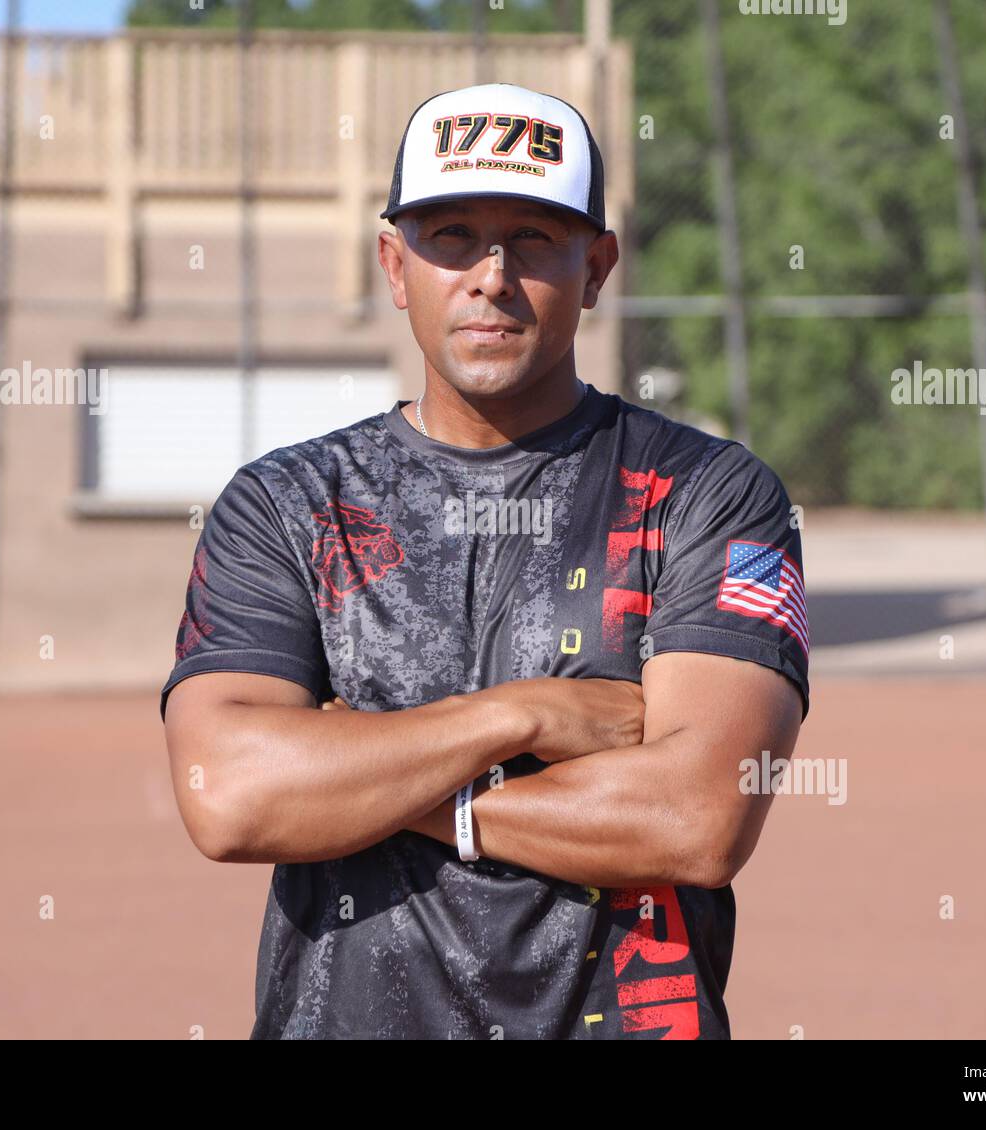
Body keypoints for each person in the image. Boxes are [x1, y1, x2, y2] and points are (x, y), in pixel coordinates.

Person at [160, 82, 808, 1040]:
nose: (491, 277)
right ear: (394, 263)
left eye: (535, 239)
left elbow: (698, 818)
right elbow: (231, 797)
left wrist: (365, 767)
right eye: (452, 234)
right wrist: (523, 716)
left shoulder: (710, 492)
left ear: (597, 266)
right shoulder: (285, 503)